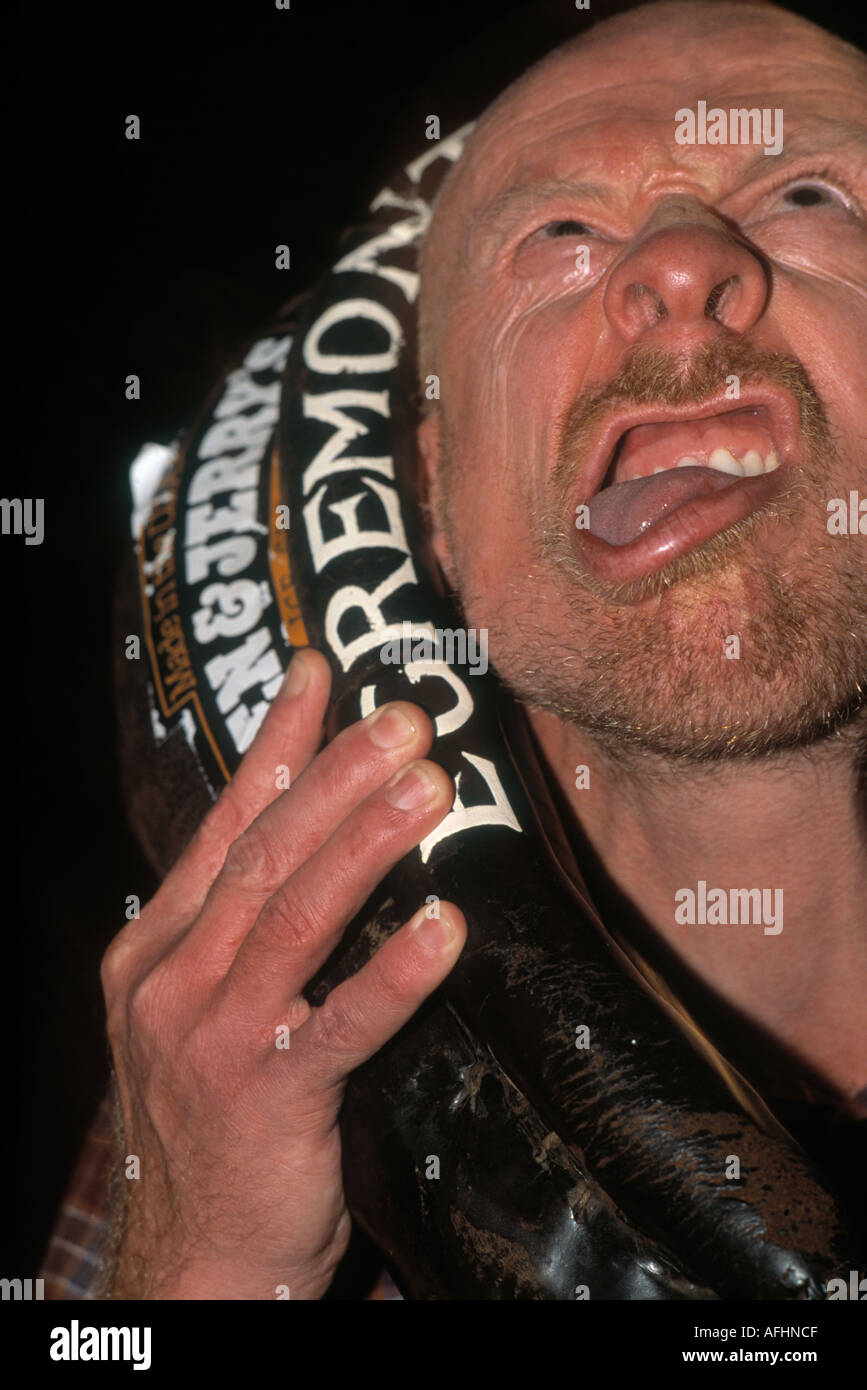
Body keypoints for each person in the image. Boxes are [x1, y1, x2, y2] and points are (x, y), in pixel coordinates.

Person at [42, 0, 866, 1300]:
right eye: (561, 235)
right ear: (431, 497)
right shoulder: (255, 1077)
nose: (680, 260)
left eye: (810, 191)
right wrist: (192, 1265)